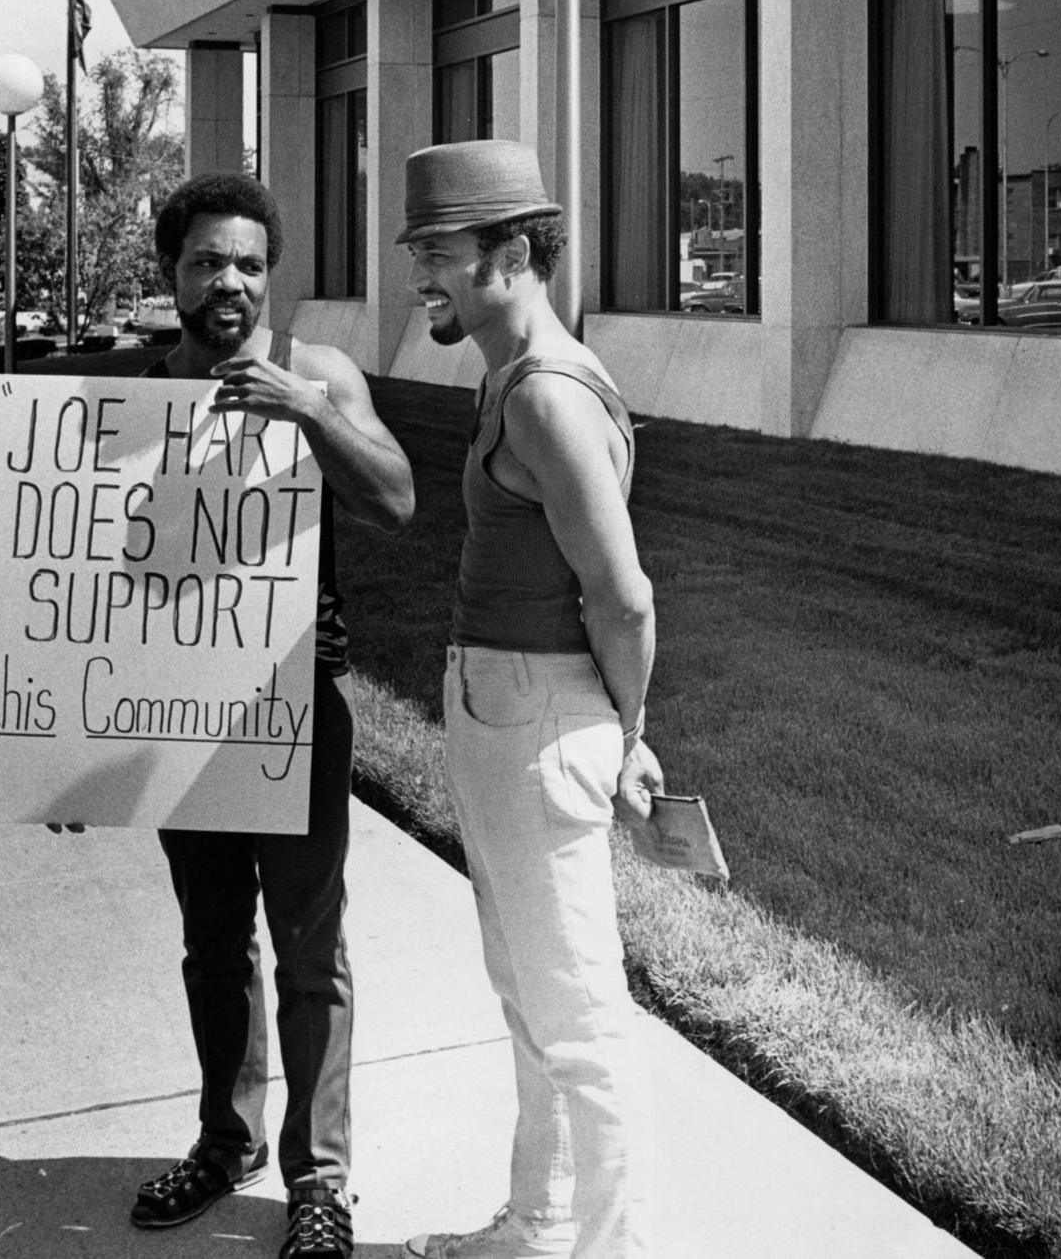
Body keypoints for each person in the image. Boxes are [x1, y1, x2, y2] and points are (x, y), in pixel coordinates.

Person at [129, 172, 414, 1259]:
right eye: (207, 261)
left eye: (249, 263)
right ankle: (226, 1138)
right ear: (172, 274)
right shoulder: (133, 400)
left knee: (309, 950)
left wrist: (309, 411)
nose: (231, 281)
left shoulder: (318, 372)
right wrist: (62, 745)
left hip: (295, 709)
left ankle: (320, 1179)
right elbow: (89, 586)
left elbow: (396, 500)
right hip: (180, 713)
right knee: (211, 944)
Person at [399, 141, 664, 1259]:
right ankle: (541, 1226)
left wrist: (630, 732)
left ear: (511, 253)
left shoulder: (548, 394)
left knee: (583, 1024)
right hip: (505, 707)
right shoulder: (511, 374)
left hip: (533, 711)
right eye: (418, 250)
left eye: (439, 251)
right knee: (530, 998)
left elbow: (625, 596)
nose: (421, 274)